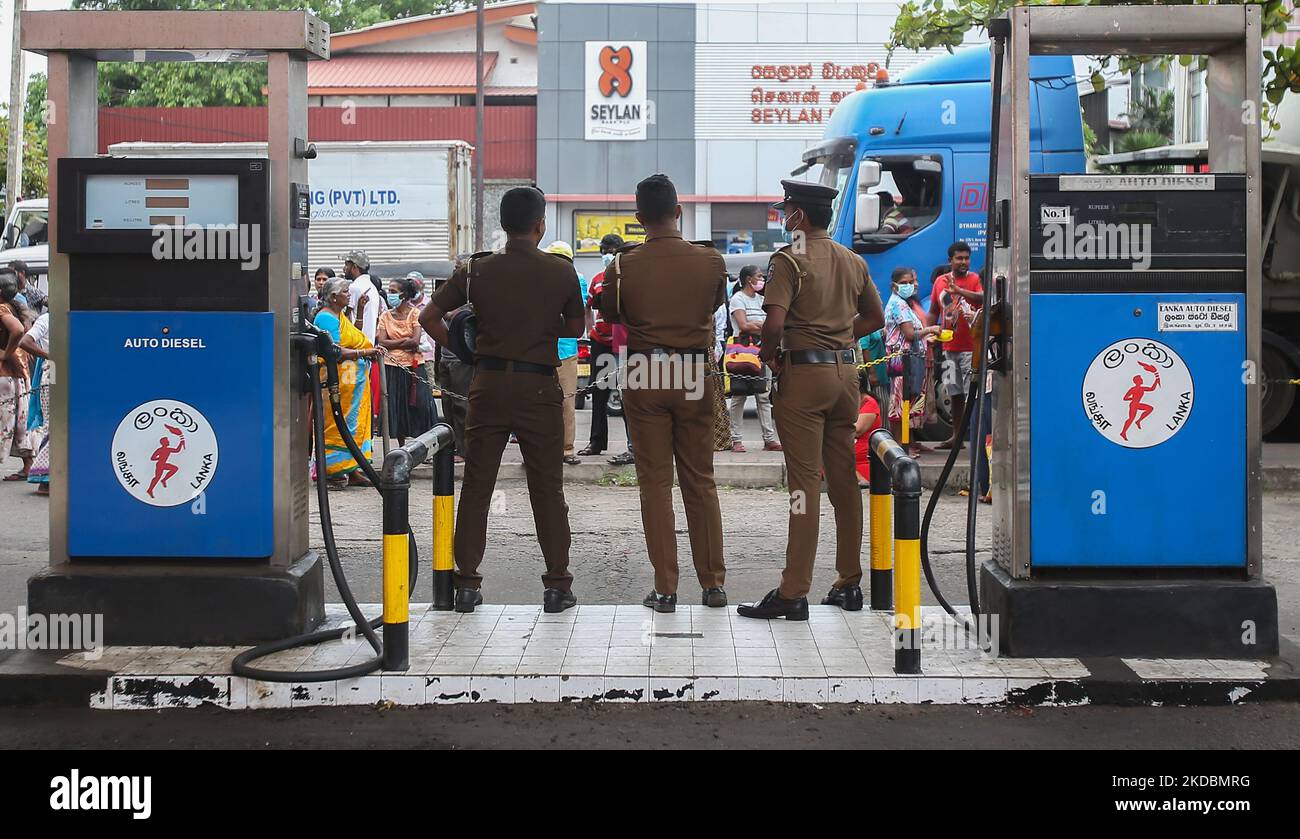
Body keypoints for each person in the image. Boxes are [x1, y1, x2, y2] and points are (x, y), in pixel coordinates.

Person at [420, 186, 585, 615]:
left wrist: (465, 349)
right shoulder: (561, 272)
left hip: (488, 384)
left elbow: (428, 318)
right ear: (540, 224)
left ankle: (468, 585)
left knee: (477, 485)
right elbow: (576, 329)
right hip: (538, 388)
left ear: (504, 225)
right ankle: (556, 586)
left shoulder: (476, 271)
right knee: (547, 488)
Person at [736, 179, 884, 621]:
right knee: (843, 479)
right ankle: (848, 583)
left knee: (803, 485)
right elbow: (874, 317)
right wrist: (838, 336)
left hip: (804, 377)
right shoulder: (851, 259)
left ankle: (793, 591)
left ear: (799, 216)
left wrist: (770, 358)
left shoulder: (788, 259)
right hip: (845, 378)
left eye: (787, 213)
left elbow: (774, 323)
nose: (784, 220)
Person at [600, 173, 728, 612]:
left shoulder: (621, 265)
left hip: (643, 370)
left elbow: (612, 313)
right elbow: (711, 305)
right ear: (678, 212)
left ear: (639, 219)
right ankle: (713, 584)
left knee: (654, 484)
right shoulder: (711, 261)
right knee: (700, 480)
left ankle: (666, 589)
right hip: (693, 369)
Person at [314, 278, 381, 488]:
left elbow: (353, 333)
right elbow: (335, 351)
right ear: (334, 297)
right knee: (338, 425)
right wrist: (364, 352)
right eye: (345, 291)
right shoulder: (325, 318)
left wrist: (360, 312)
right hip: (338, 383)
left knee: (354, 425)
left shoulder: (339, 316)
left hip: (353, 383)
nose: (348, 294)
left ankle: (353, 468)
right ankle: (334, 471)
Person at [928, 241, 983, 449]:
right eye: (959, 258)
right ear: (950, 260)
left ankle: (976, 437)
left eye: (966, 258)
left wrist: (959, 289)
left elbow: (982, 297)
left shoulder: (974, 279)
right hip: (949, 349)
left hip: (970, 349)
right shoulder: (940, 282)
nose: (963, 262)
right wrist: (929, 333)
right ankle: (956, 436)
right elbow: (933, 310)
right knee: (954, 393)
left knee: (973, 394)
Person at [579, 233, 628, 459]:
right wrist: (590, 331)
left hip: (625, 345)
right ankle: (596, 442)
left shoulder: (627, 277)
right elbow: (588, 306)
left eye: (610, 251)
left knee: (628, 395)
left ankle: (633, 445)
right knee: (598, 393)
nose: (606, 255)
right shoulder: (597, 278)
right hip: (600, 343)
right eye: (603, 251)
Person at [885, 267, 942, 457]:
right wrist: (930, 330)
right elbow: (909, 334)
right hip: (902, 360)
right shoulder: (898, 305)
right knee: (901, 403)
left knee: (908, 402)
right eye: (904, 283)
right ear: (894, 286)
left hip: (910, 359)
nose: (909, 286)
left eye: (911, 282)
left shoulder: (904, 303)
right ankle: (901, 446)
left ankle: (907, 443)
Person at [377, 275, 438, 447]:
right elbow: (382, 342)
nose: (389, 295)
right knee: (396, 408)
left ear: (404, 295)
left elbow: (415, 341)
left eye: (393, 292)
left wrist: (394, 344)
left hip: (414, 367)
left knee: (422, 406)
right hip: (392, 368)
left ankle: (424, 446)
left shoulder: (415, 314)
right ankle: (401, 447)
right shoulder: (385, 316)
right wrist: (405, 343)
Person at [726, 265, 781, 453]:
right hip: (742, 351)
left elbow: (768, 325)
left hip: (761, 350)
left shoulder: (762, 300)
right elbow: (743, 325)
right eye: (758, 276)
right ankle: (736, 439)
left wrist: (757, 325)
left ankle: (769, 439)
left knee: (763, 396)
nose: (761, 280)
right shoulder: (737, 299)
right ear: (748, 279)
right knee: (739, 395)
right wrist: (760, 326)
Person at [545, 240, 588, 465]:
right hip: (542, 349)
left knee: (566, 403)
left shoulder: (577, 280)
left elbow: (576, 313)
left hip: (565, 351)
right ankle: (544, 450)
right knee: (542, 404)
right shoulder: (538, 280)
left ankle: (567, 449)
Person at [0, 275, 34, 481]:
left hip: (4, 375)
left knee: (6, 420)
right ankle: (28, 466)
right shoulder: (13, 307)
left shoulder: (2, 308)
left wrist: (5, 352)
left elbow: (18, 330)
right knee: (18, 421)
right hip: (15, 373)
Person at [19, 312, 51, 494]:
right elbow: (25, 342)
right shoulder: (47, 320)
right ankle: (45, 478)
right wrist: (51, 355)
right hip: (53, 372)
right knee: (54, 426)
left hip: (59, 371)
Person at [852, 372, 883, 488]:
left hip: (863, 454)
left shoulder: (869, 403)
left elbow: (857, 430)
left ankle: (860, 479)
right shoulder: (848, 401)